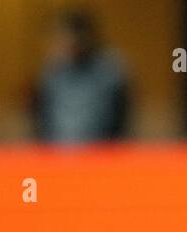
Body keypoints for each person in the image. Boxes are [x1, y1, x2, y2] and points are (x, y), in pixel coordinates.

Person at [33, 10, 130, 142]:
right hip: (57, 150)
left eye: (67, 36)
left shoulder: (110, 68)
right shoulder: (52, 71)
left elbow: (121, 114)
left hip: (101, 150)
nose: (63, 43)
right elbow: (42, 114)